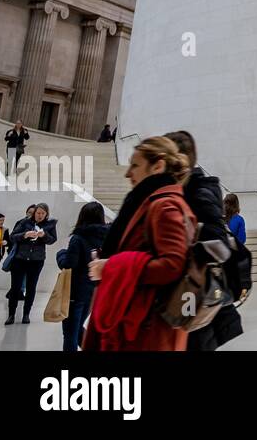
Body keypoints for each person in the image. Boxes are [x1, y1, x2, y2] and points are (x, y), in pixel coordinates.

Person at [83, 135, 197, 351]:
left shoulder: (165, 206)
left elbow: (173, 265)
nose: (128, 173)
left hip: (144, 331)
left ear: (158, 166)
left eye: (135, 165)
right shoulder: (150, 201)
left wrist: (112, 267)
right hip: (135, 324)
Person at [165, 130, 245, 351]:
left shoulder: (199, 193)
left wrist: (181, 247)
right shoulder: (185, 191)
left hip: (196, 298)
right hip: (192, 298)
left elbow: (218, 245)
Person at [55, 201, 109, 351]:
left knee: (70, 332)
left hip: (75, 291)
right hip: (93, 291)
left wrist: (60, 254)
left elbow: (68, 264)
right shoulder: (106, 238)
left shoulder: (78, 238)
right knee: (78, 328)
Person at [5, 201, 57, 324]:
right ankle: (11, 314)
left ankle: (26, 314)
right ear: (34, 213)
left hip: (36, 260)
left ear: (46, 214)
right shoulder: (24, 222)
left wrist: (44, 235)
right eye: (38, 213)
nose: (40, 215)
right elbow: (12, 237)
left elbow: (52, 240)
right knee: (15, 287)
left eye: (43, 213)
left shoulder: (50, 225)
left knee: (31, 287)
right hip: (20, 259)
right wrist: (25, 234)